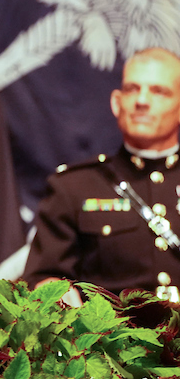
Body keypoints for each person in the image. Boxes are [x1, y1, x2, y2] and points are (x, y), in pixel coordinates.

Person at [23, 47, 180, 299]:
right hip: (111, 335)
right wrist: (56, 291)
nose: (142, 101)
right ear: (117, 103)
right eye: (132, 89)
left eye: (159, 91)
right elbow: (41, 276)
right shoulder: (75, 187)